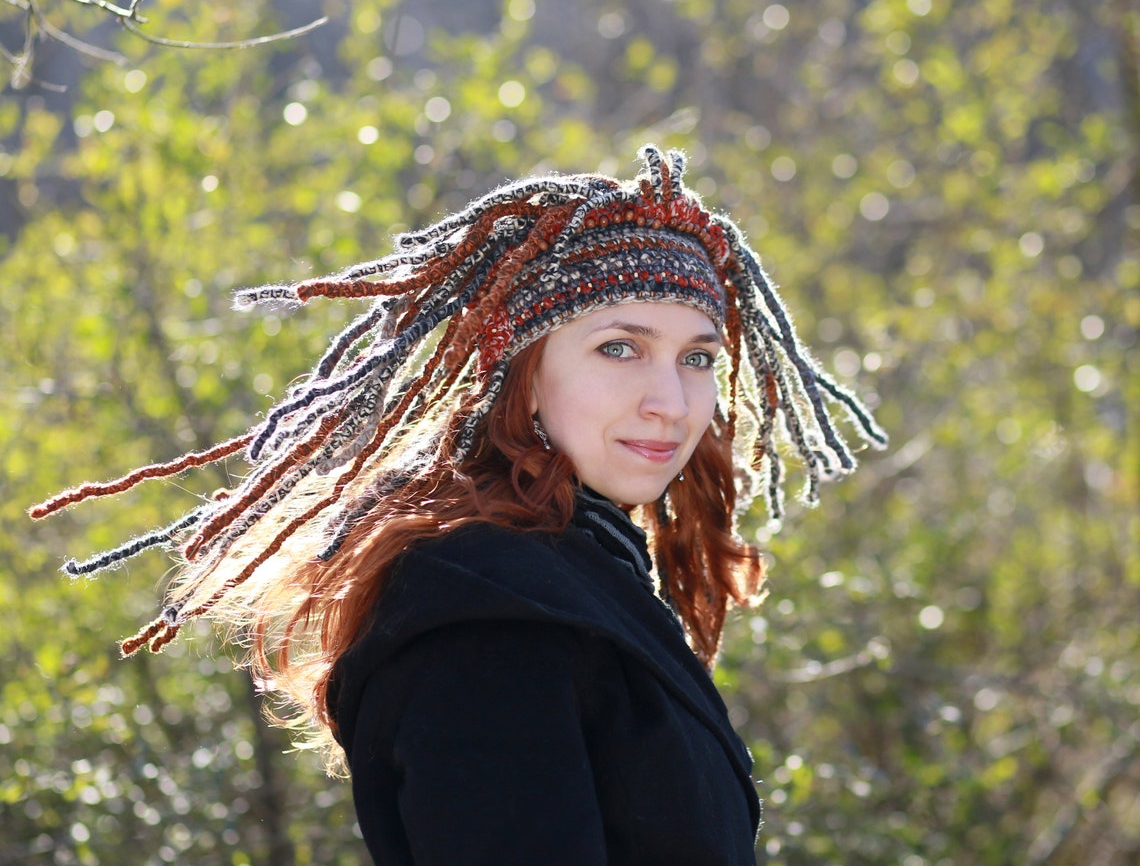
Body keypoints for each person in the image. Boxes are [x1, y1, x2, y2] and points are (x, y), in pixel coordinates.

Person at [31, 144, 886, 864]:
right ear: (525, 373)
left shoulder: (575, 575)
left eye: (698, 358)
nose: (671, 399)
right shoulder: (492, 612)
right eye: (620, 347)